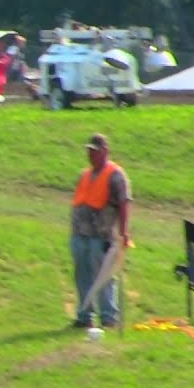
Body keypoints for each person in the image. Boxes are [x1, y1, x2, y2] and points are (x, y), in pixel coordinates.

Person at [70, 133, 132, 328]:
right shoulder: (85, 175)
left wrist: (123, 232)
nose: (91, 155)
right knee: (82, 276)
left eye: (95, 151)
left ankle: (108, 317)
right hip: (80, 235)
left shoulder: (116, 175)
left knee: (104, 277)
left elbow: (123, 204)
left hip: (102, 237)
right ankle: (84, 316)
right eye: (89, 151)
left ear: (105, 151)